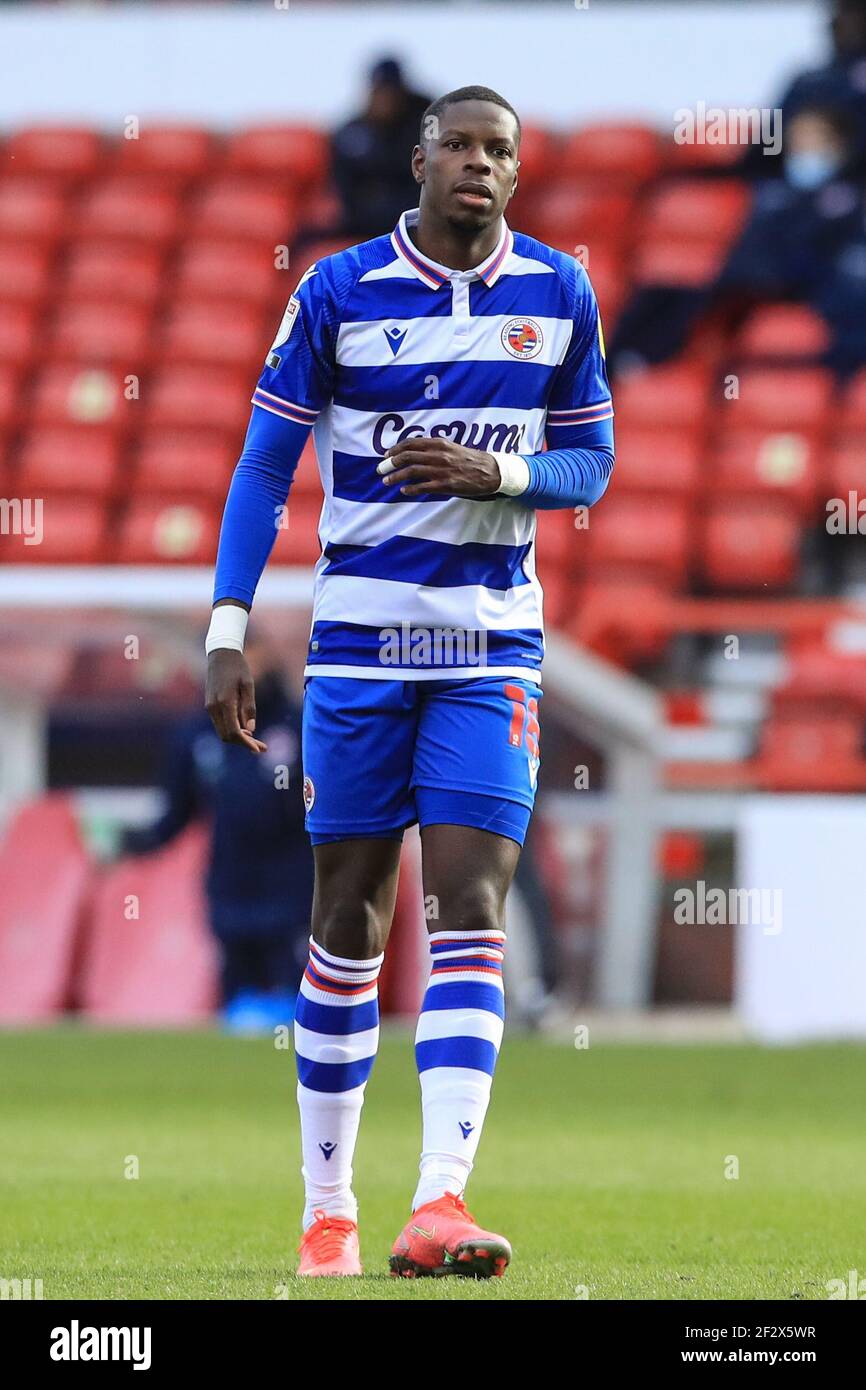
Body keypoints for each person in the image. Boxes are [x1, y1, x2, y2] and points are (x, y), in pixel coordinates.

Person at [205, 85, 614, 1279]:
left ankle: (439, 1200)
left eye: (501, 151)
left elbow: (590, 461)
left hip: (490, 650)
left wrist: (496, 470)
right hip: (358, 650)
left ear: (515, 175)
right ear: (421, 160)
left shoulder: (558, 292)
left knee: (470, 904)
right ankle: (325, 1202)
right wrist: (229, 622)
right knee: (346, 920)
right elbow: (261, 465)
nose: (478, 165)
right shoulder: (335, 290)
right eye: (461, 146)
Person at [124, 630, 313, 1032]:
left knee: (297, 1009)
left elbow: (325, 808)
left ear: (263, 655)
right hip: (228, 893)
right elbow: (175, 816)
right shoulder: (196, 734)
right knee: (238, 1010)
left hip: (293, 893)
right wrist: (126, 843)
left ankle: (304, 1086)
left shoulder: (298, 727)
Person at [330, 57, 431, 239]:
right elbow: (344, 189)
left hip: (412, 213)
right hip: (363, 217)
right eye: (380, 93)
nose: (385, 101)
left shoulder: (424, 126)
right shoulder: (354, 132)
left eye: (391, 94)